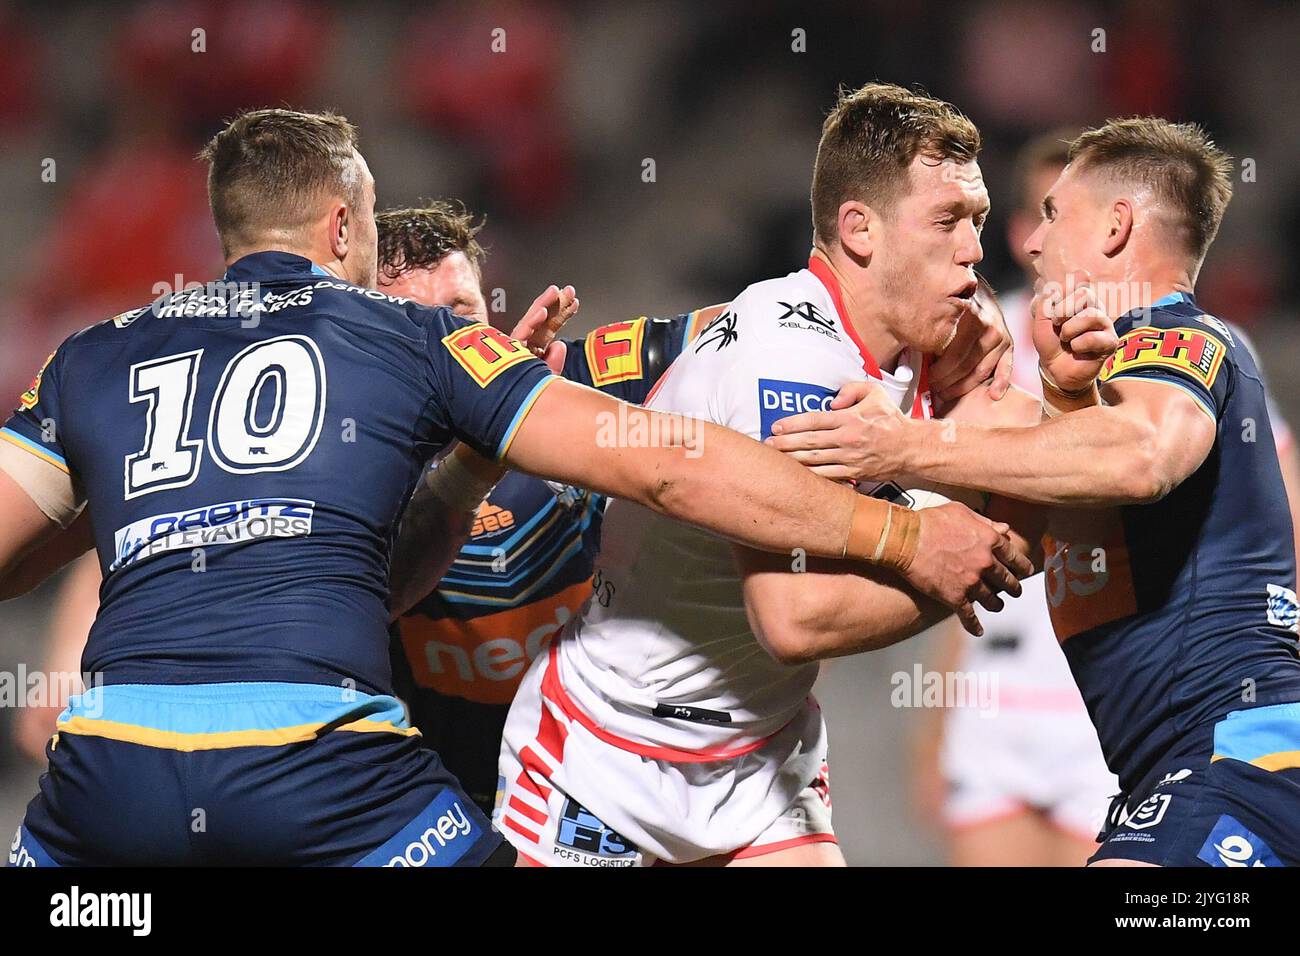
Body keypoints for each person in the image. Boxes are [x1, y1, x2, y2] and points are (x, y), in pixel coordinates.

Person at [0, 108, 1024, 866]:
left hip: (113, 770)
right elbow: (668, 456)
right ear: (344, 228)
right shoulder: (417, 345)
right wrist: (899, 535)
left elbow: (34, 549)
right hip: (336, 761)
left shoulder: (96, 358)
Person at [493, 83, 1101, 868]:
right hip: (611, 753)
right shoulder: (788, 360)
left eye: (978, 221)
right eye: (948, 222)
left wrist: (1067, 391)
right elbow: (793, 618)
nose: (974, 250)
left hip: (761, 758)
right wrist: (953, 560)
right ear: (859, 231)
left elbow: (1055, 466)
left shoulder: (936, 332)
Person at [768, 117, 1300, 867]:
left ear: (1117, 226)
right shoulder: (1115, 376)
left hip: (1234, 760)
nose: (1034, 243)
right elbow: (1089, 534)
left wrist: (903, 443)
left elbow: (1143, 457)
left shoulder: (1185, 340)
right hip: (1166, 770)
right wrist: (1061, 394)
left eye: (1053, 214)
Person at [375, 202, 722, 813]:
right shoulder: (345, 465)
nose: (441, 343)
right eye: (411, 321)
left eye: (459, 317)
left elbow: (735, 331)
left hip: (605, 775)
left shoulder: (568, 382)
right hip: (442, 800)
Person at [912, 135, 1119, 867]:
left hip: (1104, 696)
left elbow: (1275, 499)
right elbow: (959, 532)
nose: (1052, 233)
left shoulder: (1159, 342)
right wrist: (938, 719)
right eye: (1042, 212)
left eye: (1074, 212)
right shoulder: (972, 345)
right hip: (996, 695)